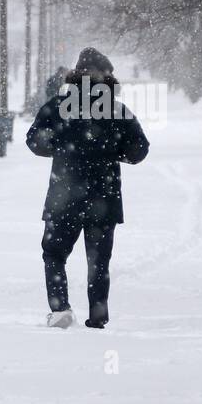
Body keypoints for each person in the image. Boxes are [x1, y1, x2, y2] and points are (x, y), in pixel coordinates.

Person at [26, 47, 150, 329]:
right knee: (99, 262)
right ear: (107, 78)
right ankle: (97, 315)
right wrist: (111, 151)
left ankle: (60, 309)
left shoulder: (58, 105)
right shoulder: (117, 110)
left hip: (64, 195)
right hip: (104, 198)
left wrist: (63, 148)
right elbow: (139, 150)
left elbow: (34, 140)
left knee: (54, 254)